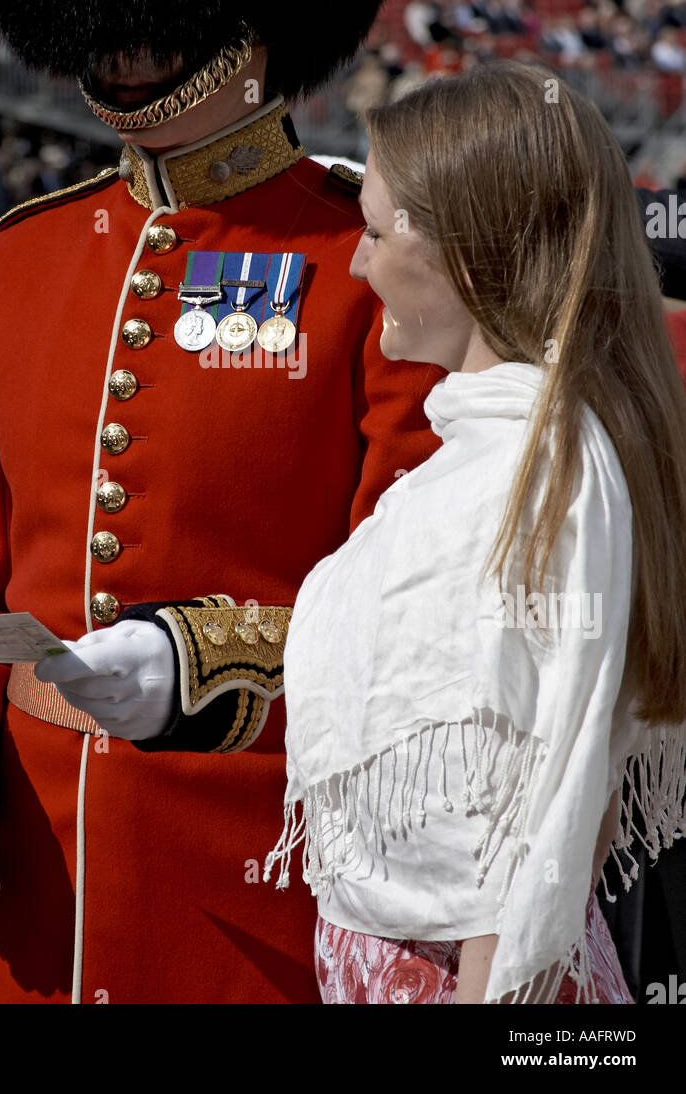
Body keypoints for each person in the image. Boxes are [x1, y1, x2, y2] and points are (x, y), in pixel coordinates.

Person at [0, 0, 442, 1004]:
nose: (125, 36)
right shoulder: (14, 266)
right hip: (19, 930)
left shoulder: (372, 263)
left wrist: (201, 662)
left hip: (249, 927)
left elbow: (417, 633)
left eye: (161, 2)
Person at [266, 61, 686, 1004]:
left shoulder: (541, 468)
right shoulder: (501, 447)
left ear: (462, 252)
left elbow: (537, 842)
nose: (355, 263)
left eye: (374, 233)